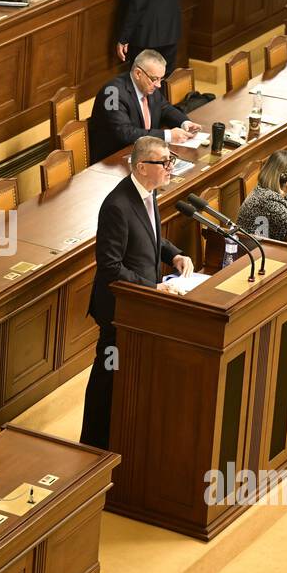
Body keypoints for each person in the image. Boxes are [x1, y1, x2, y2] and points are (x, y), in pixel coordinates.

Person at [81, 136, 195, 450]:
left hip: (140, 306)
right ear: (143, 167)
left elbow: (149, 236)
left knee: (125, 377)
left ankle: (119, 438)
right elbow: (109, 265)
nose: (171, 168)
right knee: (108, 376)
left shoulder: (146, 194)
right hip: (119, 311)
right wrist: (152, 287)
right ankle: (92, 444)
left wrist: (173, 254)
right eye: (165, 162)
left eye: (170, 160)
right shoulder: (117, 206)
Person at [88, 49, 201, 163]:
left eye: (161, 79)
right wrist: (168, 135)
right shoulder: (111, 92)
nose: (158, 85)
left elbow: (165, 108)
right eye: (154, 79)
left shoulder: (150, 86)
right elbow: (124, 133)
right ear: (138, 73)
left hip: (144, 154)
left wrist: (184, 122)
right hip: (113, 160)